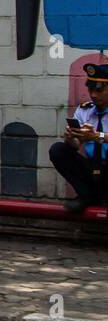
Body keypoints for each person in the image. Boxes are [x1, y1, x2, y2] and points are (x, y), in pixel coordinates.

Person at [50, 62, 108, 213]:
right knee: (58, 150)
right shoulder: (85, 111)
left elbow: (97, 137)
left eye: (100, 90)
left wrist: (97, 136)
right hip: (93, 169)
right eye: (91, 89)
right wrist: (71, 138)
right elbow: (76, 145)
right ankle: (86, 195)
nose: (94, 94)